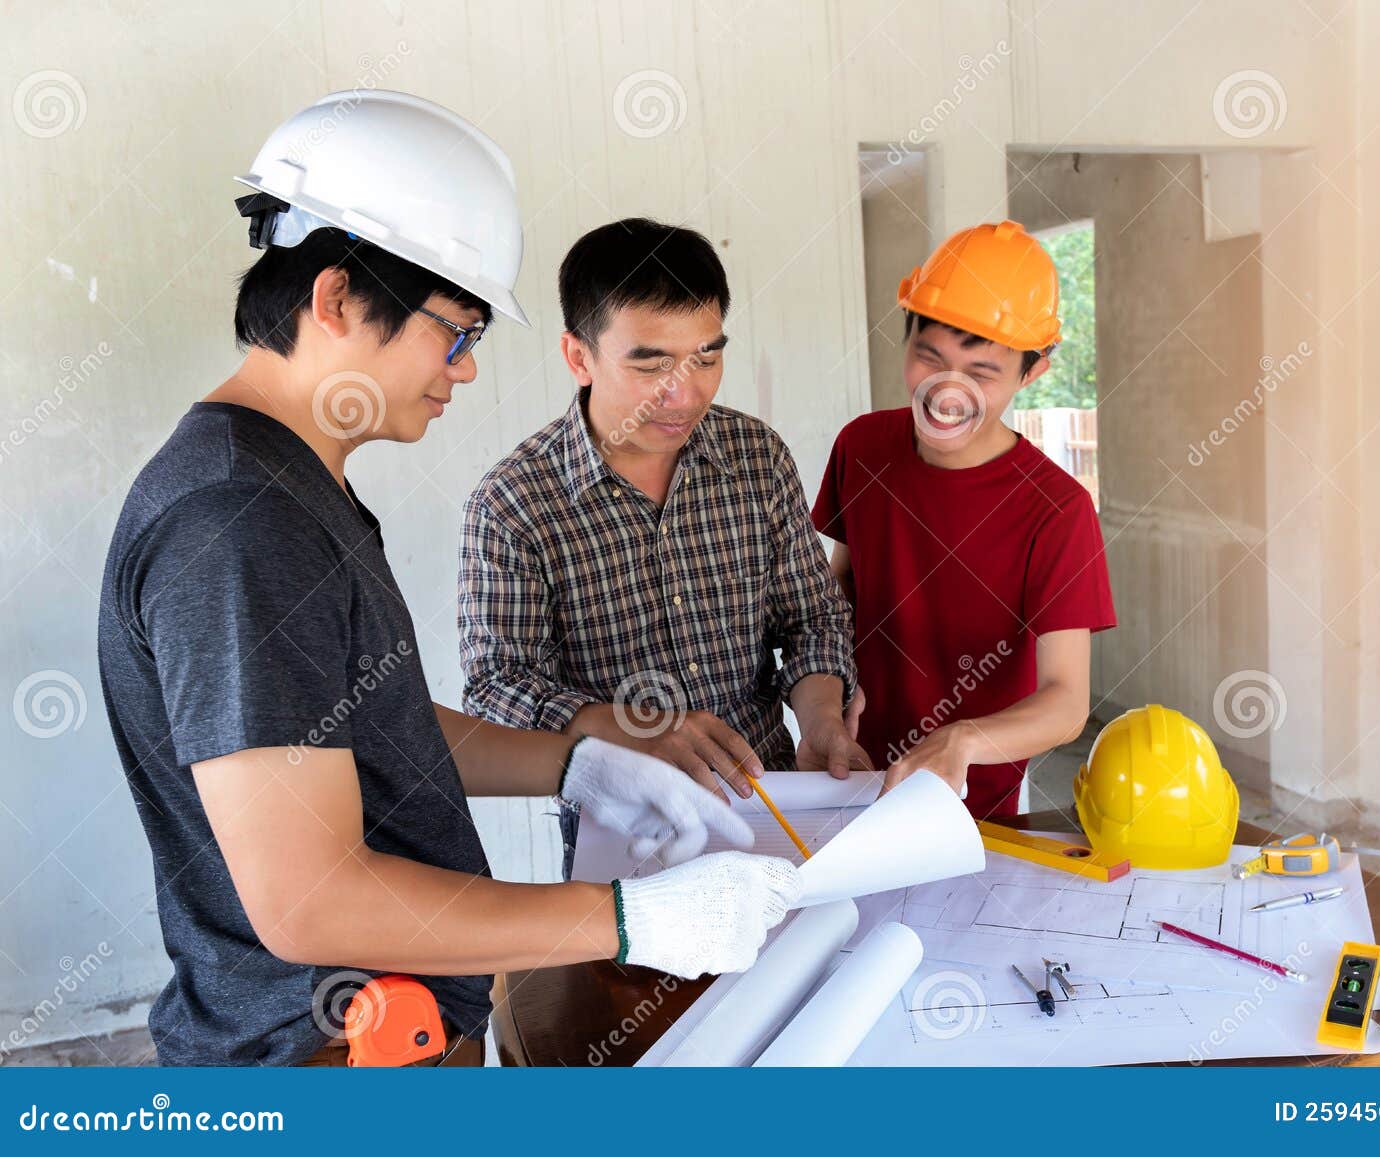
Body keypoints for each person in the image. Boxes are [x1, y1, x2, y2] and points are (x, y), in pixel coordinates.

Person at [97, 91, 797, 1067]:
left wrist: (575, 763)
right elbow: (310, 900)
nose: (464, 371)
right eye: (455, 332)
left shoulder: (286, 485)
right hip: (327, 1057)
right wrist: (626, 921)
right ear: (337, 298)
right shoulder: (241, 523)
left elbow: (371, 722)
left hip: (393, 1034)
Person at [458, 218, 868, 872]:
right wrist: (634, 728)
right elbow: (496, 689)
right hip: (621, 823)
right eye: (650, 362)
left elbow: (812, 618)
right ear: (579, 356)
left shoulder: (755, 458)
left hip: (771, 799)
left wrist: (821, 718)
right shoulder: (516, 501)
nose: (686, 391)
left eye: (706, 356)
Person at [811, 220, 1117, 820]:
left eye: (981, 373)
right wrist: (830, 688)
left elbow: (1066, 701)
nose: (947, 392)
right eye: (930, 358)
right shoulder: (862, 447)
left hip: (973, 800)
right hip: (849, 773)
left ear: (1032, 373)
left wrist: (962, 741)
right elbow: (839, 589)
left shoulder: (1057, 510)